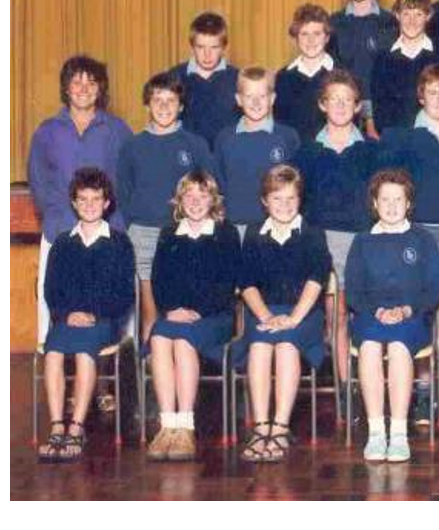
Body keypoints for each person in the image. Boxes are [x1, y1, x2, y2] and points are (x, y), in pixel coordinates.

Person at [28, 55, 132, 414]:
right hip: (62, 233)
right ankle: (68, 389)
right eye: (77, 81)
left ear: (101, 88)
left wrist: (114, 220)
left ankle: (102, 385)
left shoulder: (117, 129)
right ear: (66, 87)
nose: (84, 88)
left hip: (107, 230)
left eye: (91, 82)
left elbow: (127, 180)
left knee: (104, 313)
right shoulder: (47, 131)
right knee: (62, 311)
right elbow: (39, 183)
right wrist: (59, 219)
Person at [378, 64, 439, 424]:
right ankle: (421, 393)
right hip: (417, 234)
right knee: (420, 310)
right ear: (421, 96)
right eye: (432, 93)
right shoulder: (402, 139)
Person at [292, 69, 380, 407]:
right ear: (322, 105)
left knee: (357, 314)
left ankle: (362, 386)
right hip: (322, 241)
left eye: (348, 100)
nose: (341, 106)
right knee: (335, 314)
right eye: (334, 100)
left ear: (358, 106)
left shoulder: (372, 151)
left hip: (361, 242)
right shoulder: (307, 152)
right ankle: (346, 390)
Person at [234, 164, 332, 463]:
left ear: (300, 199)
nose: (285, 205)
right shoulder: (252, 233)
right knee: (261, 345)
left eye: (291, 198)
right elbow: (246, 282)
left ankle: (280, 427)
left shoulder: (313, 233)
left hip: (303, 316)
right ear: (265, 201)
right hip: (263, 312)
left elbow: (317, 280)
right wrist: (264, 317)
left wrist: (293, 319)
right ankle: (261, 427)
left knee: (288, 345)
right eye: (277, 199)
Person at [37, 167, 134, 462]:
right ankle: (57, 426)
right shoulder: (63, 243)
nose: (90, 205)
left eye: (96, 199)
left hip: (103, 321)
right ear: (74, 203)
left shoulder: (119, 243)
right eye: (83, 199)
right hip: (67, 319)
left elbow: (123, 293)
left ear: (106, 203)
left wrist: (93, 315)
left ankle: (77, 427)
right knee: (52, 352)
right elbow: (51, 289)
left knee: (83, 352)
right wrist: (67, 314)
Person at [347, 169, 439, 462]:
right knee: (369, 347)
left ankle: (399, 433)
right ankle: (377, 431)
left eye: (398, 199)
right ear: (374, 204)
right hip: (370, 315)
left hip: (411, 316)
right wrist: (376, 310)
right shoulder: (362, 241)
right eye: (384, 199)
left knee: (400, 348)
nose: (391, 206)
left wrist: (406, 310)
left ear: (408, 203)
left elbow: (433, 288)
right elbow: (353, 289)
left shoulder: (423, 239)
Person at [145, 170, 239, 461]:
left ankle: (185, 426)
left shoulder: (226, 232)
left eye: (202, 195)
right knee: (158, 337)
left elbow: (228, 283)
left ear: (213, 199)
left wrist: (197, 311)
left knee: (184, 341)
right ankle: (167, 425)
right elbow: (158, 280)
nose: (196, 201)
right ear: (179, 200)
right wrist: (172, 310)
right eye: (189, 195)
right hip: (175, 315)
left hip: (214, 316)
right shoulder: (168, 233)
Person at [117, 72, 212, 352]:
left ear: (181, 106)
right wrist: (138, 224)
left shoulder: (195, 145)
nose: (164, 106)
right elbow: (123, 193)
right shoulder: (132, 146)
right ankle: (150, 376)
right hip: (144, 234)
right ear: (147, 105)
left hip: (184, 234)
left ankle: (187, 368)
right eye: (157, 100)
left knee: (185, 309)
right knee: (151, 311)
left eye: (171, 100)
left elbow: (210, 189)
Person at [214, 66, 301, 237]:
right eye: (249, 96)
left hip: (275, 226)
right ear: (239, 99)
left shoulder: (288, 137)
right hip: (234, 226)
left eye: (262, 96)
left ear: (272, 98)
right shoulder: (224, 138)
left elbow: (296, 186)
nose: (256, 102)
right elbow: (218, 184)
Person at [328, 0, 399, 136]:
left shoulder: (391, 23)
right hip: (343, 114)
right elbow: (331, 73)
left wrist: (371, 116)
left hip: (382, 115)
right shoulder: (333, 23)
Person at [371, 0, 438, 136]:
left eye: (418, 14)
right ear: (397, 15)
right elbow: (380, 114)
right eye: (406, 14)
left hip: (433, 139)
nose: (412, 21)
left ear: (428, 16)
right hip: (396, 141)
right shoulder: (382, 60)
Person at [169, 12, 239, 149]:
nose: (207, 55)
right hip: (185, 159)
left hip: (225, 159)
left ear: (224, 47)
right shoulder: (174, 77)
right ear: (192, 46)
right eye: (200, 47)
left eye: (214, 47)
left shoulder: (237, 79)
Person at [274, 3, 336, 143]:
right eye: (304, 34)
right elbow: (280, 125)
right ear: (296, 37)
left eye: (317, 34)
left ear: (326, 37)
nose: (311, 40)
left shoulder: (341, 75)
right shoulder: (283, 77)